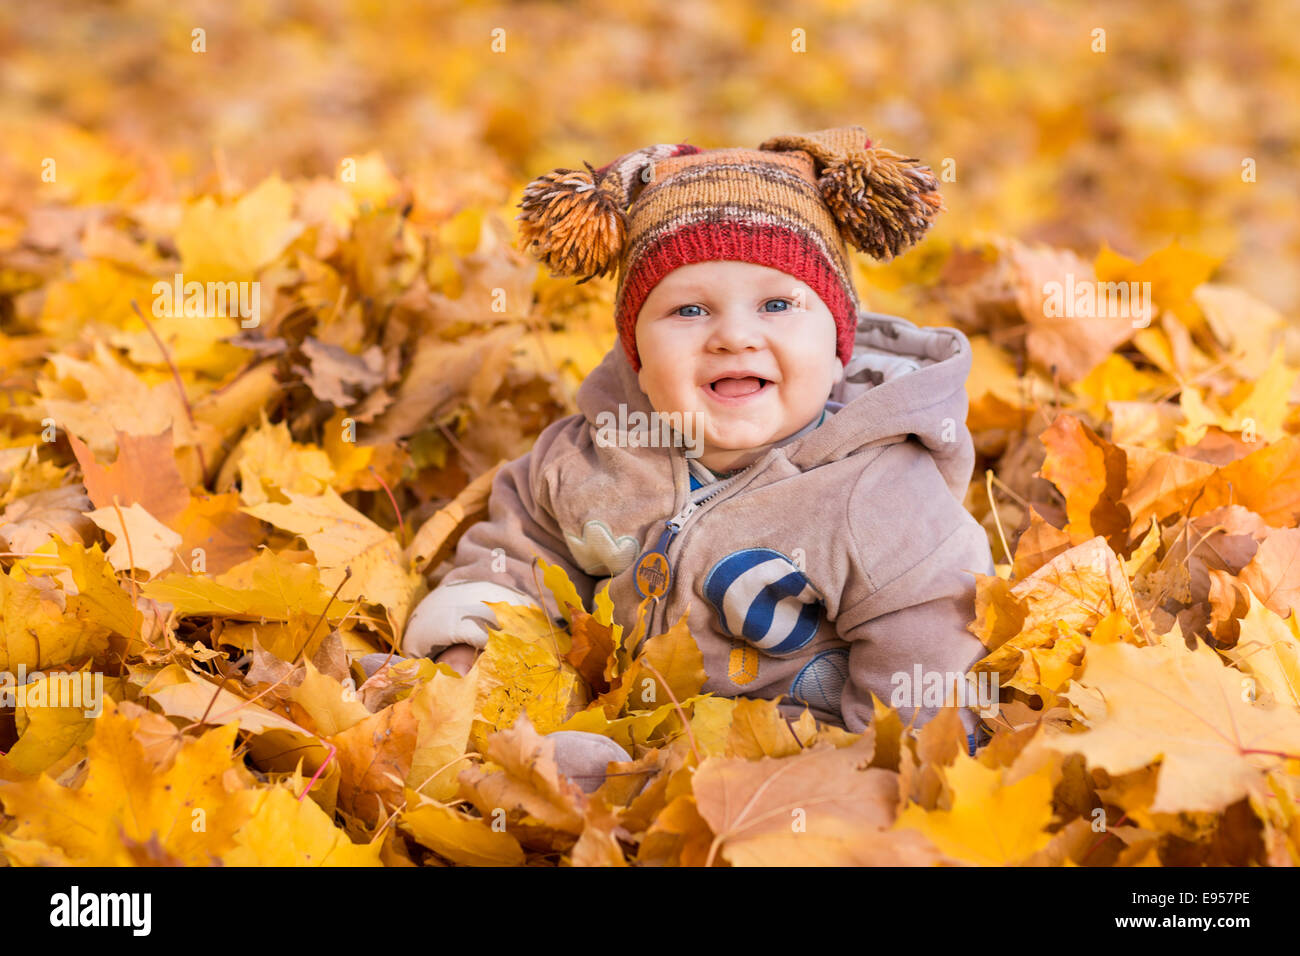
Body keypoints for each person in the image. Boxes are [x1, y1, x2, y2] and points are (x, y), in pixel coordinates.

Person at [398, 125, 997, 790]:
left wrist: (869, 772)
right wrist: (472, 641)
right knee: (477, 741)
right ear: (639, 360)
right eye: (688, 310)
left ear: (837, 348)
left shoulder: (879, 493)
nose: (734, 336)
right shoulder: (596, 456)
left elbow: (929, 646)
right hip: (618, 715)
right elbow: (524, 546)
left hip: (791, 756)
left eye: (777, 303)